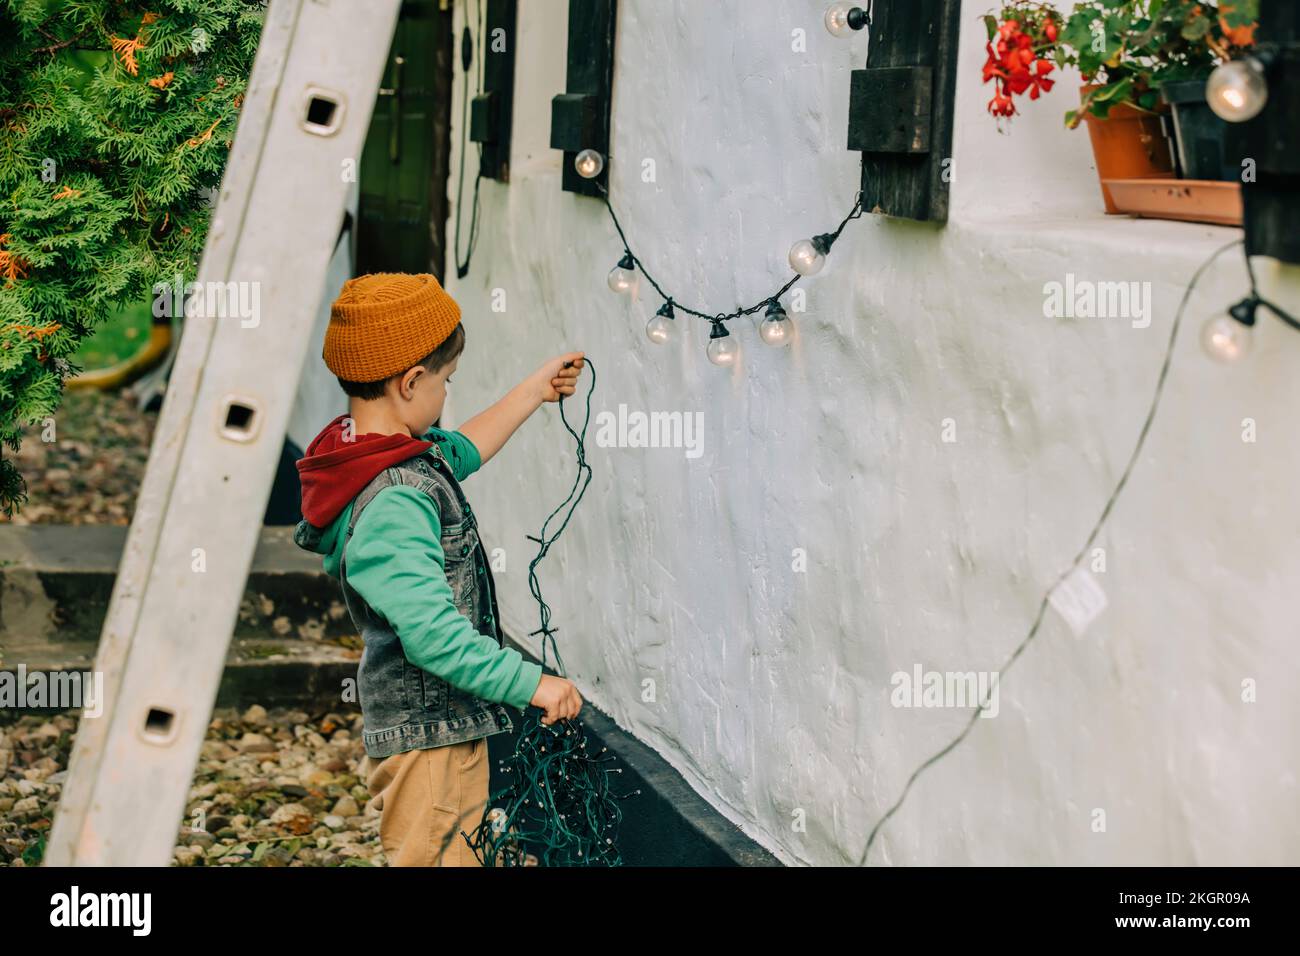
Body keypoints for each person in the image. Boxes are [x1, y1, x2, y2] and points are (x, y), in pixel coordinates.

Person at [293, 271, 584, 866]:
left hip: (442, 730)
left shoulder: (372, 454)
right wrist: (533, 682)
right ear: (411, 382)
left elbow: (463, 449)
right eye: (446, 382)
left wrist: (534, 391)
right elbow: (432, 637)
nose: (447, 397)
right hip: (430, 741)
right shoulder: (395, 498)